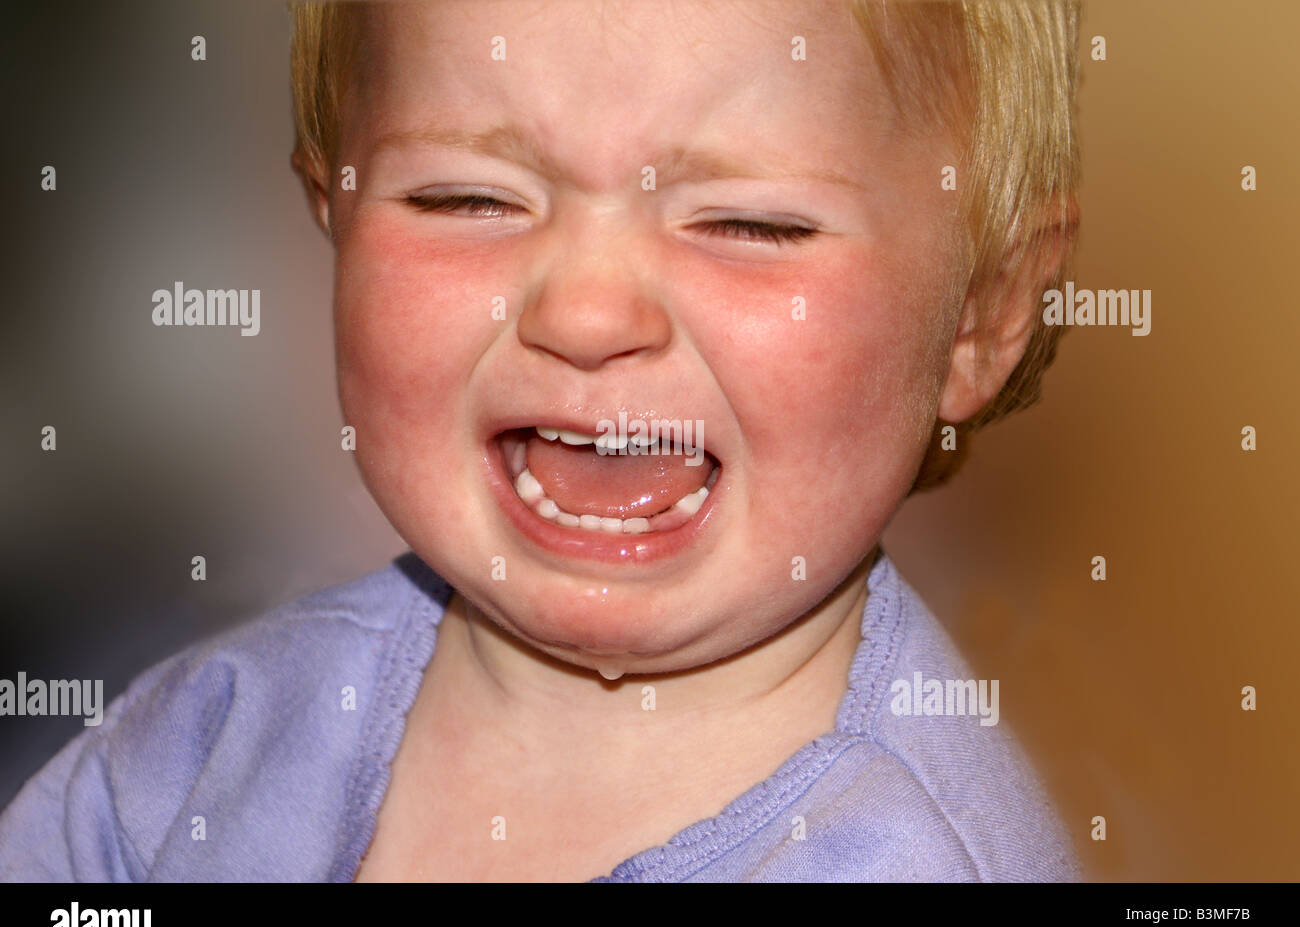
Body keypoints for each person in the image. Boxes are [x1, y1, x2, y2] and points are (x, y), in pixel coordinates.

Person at [1, 0, 1082, 882]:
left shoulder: (914, 859)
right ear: (327, 216)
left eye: (750, 223)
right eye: (464, 198)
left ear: (982, 313)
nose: (586, 312)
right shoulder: (216, 735)